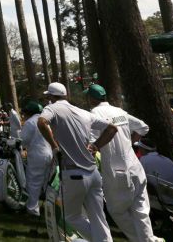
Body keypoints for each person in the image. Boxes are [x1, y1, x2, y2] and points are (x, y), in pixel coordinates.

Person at [37, 82, 115, 242]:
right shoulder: (82, 112)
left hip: (73, 173)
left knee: (71, 216)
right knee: (99, 219)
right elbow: (112, 128)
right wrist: (96, 146)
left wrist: (54, 147)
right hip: (94, 173)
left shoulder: (52, 108)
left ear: (51, 96)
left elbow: (42, 122)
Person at [83, 83, 159, 242]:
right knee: (141, 210)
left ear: (91, 98)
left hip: (115, 171)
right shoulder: (120, 111)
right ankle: (148, 240)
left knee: (117, 210)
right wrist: (129, 142)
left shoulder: (94, 115)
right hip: (135, 167)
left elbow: (91, 144)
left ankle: (140, 240)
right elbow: (143, 128)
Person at [19, 100, 52, 217]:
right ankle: (50, 209)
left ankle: (32, 209)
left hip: (37, 155)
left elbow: (23, 140)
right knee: (48, 183)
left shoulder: (30, 122)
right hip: (49, 154)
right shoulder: (46, 121)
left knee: (34, 182)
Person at [137, 138, 173, 208]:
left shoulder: (143, 160)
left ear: (142, 149)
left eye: (139, 148)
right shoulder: (167, 159)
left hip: (166, 201)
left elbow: (138, 181)